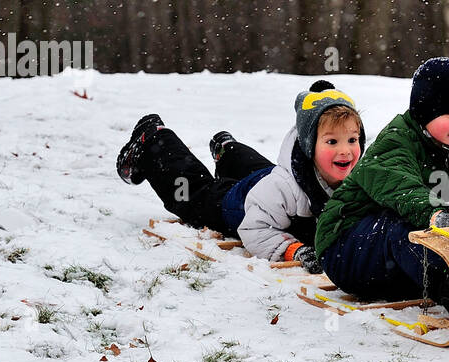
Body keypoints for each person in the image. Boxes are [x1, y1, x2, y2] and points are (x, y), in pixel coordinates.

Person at [116, 80, 363, 269]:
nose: (345, 150)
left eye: (352, 139)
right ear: (309, 146)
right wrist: (293, 250)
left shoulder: (348, 177)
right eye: (332, 141)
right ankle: (154, 140)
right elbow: (255, 229)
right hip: (240, 204)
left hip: (267, 181)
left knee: (262, 173)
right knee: (194, 195)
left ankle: (229, 152)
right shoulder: (284, 188)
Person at [314, 58, 449, 310]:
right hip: (347, 249)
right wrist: (438, 214)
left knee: (432, 231)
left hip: (398, 265)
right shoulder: (396, 141)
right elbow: (402, 190)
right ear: (425, 111)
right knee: (404, 227)